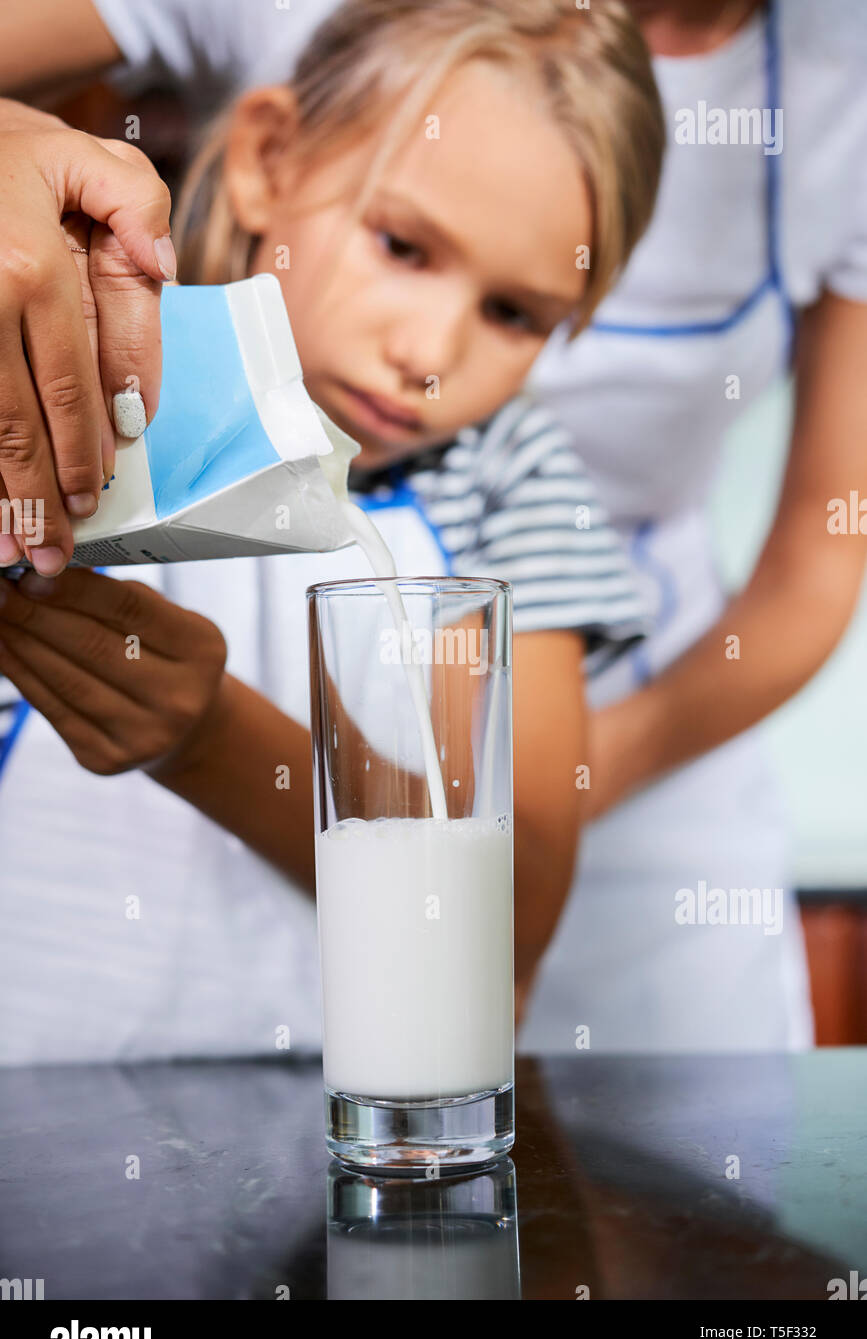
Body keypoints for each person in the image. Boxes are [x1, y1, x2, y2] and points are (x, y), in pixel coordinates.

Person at [2, 0, 866, 1053]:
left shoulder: (512, 494)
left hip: (309, 1143)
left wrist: (209, 738)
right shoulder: (69, 385)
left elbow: (495, 935)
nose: (430, 349)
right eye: (404, 246)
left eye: (516, 314)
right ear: (269, 154)